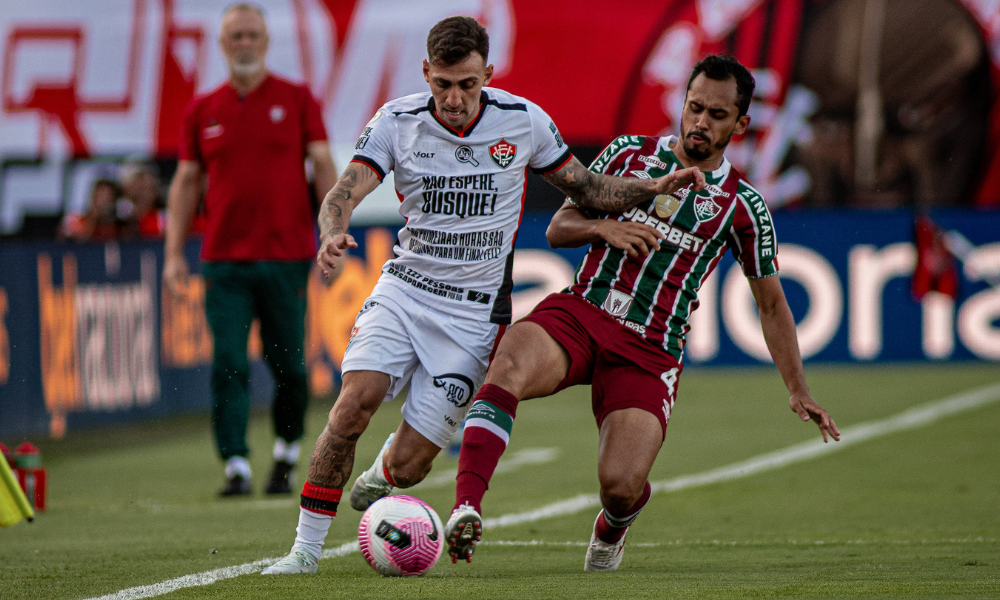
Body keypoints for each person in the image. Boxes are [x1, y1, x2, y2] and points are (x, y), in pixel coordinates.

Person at [262, 16, 704, 574]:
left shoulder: (523, 122)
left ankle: (384, 473)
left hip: (473, 320)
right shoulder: (396, 121)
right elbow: (345, 189)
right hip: (406, 291)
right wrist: (330, 231)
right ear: (426, 72)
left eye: (467, 84)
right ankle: (303, 551)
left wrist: (650, 188)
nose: (453, 98)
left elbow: (586, 187)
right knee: (355, 402)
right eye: (442, 83)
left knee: (414, 464)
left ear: (487, 74)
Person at [444, 54, 841, 571]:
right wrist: (602, 228)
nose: (701, 122)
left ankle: (613, 526)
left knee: (620, 487)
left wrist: (797, 387)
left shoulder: (743, 206)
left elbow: (771, 303)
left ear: (740, 124)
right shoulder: (630, 153)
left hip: (650, 350)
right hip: (582, 313)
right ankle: (465, 509)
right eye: (694, 107)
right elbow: (558, 228)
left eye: (717, 115)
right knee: (509, 365)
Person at [163, 3, 338, 497]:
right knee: (228, 363)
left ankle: (285, 451)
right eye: (234, 36)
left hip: (286, 257)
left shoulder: (297, 99)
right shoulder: (203, 109)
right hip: (224, 261)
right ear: (222, 45)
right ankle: (236, 462)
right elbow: (186, 182)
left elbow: (324, 167)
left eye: (251, 35)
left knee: (291, 367)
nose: (243, 44)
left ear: (265, 42)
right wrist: (174, 253)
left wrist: (331, 228)